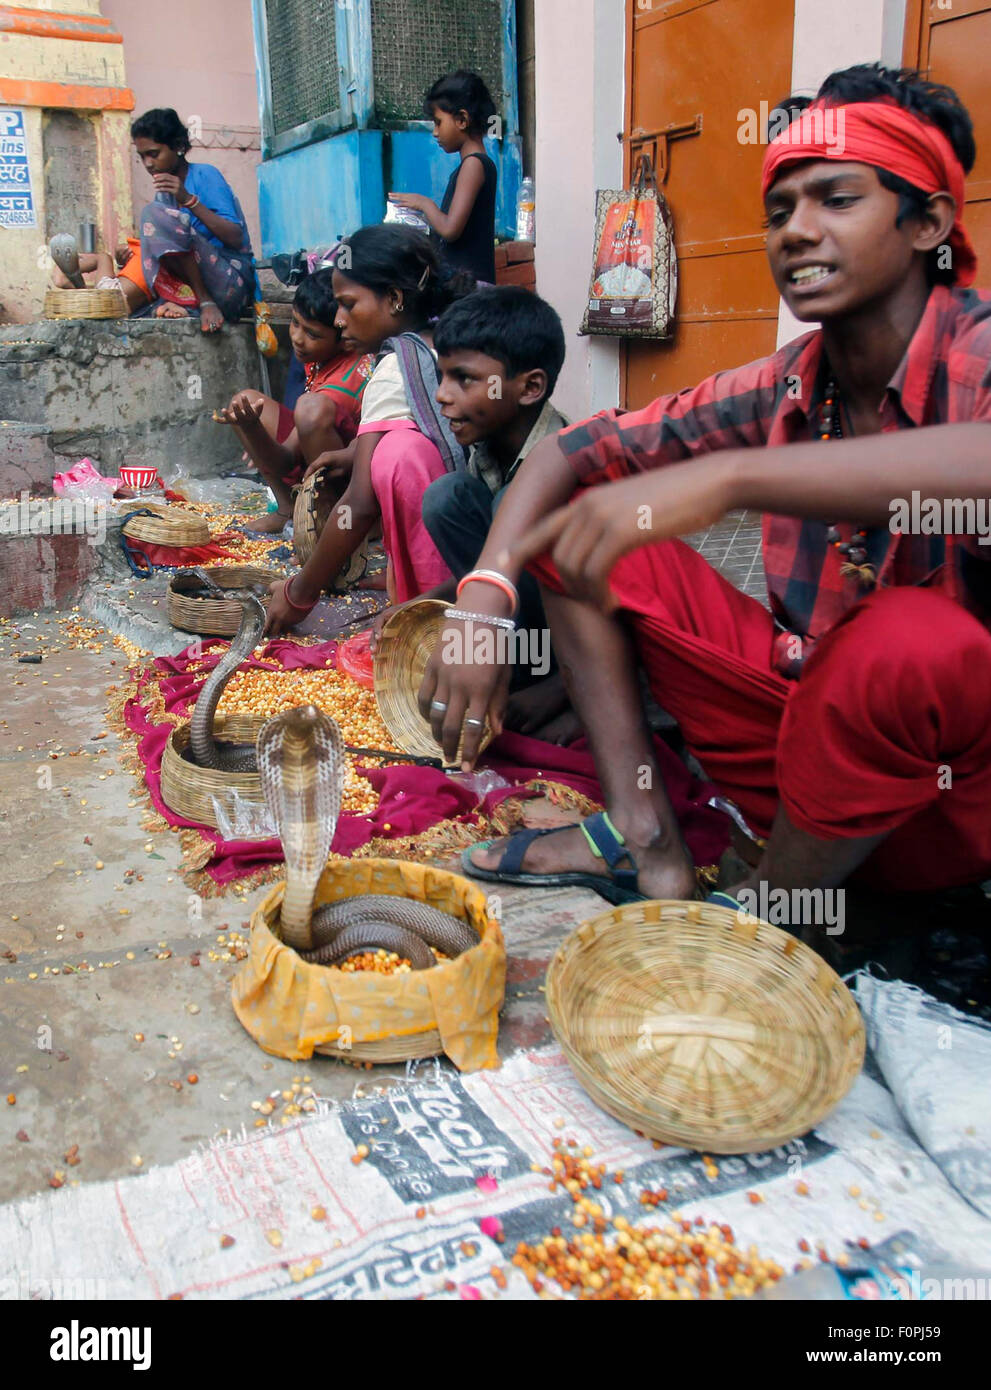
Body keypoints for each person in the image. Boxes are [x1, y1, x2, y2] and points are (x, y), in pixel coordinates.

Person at [419, 63, 991, 916]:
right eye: (778, 212)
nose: (794, 233)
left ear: (928, 224)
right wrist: (486, 591)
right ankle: (642, 835)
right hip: (801, 754)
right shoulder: (791, 381)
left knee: (908, 643)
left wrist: (727, 477)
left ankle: (770, 921)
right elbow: (574, 448)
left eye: (835, 201)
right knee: (576, 527)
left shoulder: (976, 353)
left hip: (946, 806)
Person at [263, 225, 474, 635]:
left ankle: (425, 605)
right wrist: (357, 448)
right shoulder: (447, 339)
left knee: (396, 455)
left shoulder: (395, 367)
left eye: (347, 304)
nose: (339, 320)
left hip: (456, 565)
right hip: (484, 537)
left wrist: (299, 592)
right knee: (387, 449)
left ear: (394, 298)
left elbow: (357, 507)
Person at [215, 268, 373, 533]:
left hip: (348, 476)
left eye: (312, 334)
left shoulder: (341, 385)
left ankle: (331, 522)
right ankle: (287, 509)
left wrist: (254, 432)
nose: (298, 338)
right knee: (244, 401)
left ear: (342, 339)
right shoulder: (321, 356)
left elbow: (285, 461)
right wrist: (253, 429)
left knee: (309, 410)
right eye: (295, 323)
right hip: (315, 453)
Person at [130, 107, 254, 333]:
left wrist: (188, 200)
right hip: (196, 287)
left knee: (152, 214)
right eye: (142, 156)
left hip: (230, 286)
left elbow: (235, 238)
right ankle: (186, 303)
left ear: (178, 146)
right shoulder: (163, 194)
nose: (148, 163)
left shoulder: (205, 175)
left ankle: (203, 303)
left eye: (154, 154)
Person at [388, 71, 498, 285]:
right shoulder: (474, 165)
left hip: (471, 291)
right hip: (467, 288)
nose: (435, 132)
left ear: (462, 120)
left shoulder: (473, 165)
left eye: (438, 122)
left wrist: (424, 204)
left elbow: (450, 229)